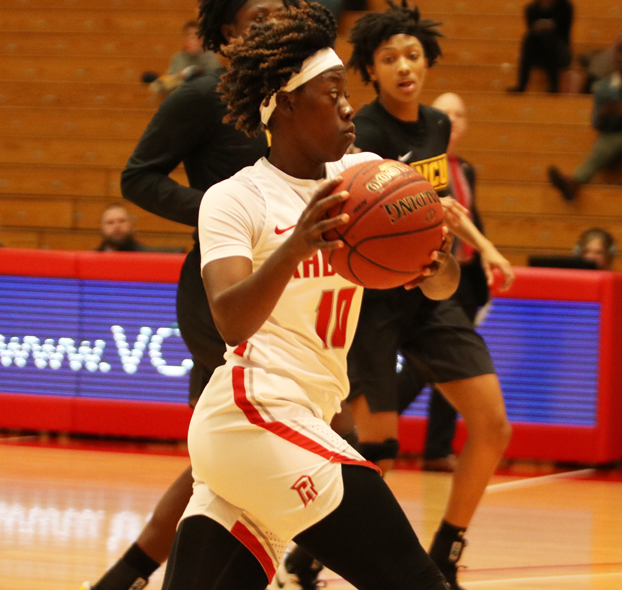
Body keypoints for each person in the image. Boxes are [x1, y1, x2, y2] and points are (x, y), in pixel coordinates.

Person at [160, 4, 456, 590]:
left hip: (304, 415)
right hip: (253, 414)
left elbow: (441, 285)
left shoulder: (367, 176)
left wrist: (432, 265)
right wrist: (297, 243)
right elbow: (230, 321)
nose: (350, 106)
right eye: (333, 92)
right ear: (287, 103)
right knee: (414, 580)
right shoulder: (236, 198)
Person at [83, 1, 280, 589]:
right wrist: (218, 213)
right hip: (219, 290)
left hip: (288, 293)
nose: (274, 22)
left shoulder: (297, 97)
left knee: (215, 466)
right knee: (235, 458)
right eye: (259, 13)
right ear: (227, 31)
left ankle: (126, 577)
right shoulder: (201, 96)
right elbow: (137, 175)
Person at [343, 3, 513, 588]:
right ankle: (318, 552)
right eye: (389, 58)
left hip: (429, 289)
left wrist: (484, 247)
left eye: (412, 55)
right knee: (379, 449)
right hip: (371, 300)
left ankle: (445, 551)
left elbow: (438, 204)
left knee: (491, 425)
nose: (403, 66)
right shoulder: (360, 132)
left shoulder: (436, 125)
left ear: (427, 63)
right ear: (371, 69)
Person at [393, 92, 492, 473]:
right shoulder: (416, 164)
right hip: (430, 274)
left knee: (451, 368)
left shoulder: (465, 169)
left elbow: (471, 220)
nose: (453, 119)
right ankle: (376, 426)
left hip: (464, 277)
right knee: (425, 366)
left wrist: (486, 256)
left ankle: (437, 448)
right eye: (446, 112)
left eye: (460, 113)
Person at [548, 44, 622, 202]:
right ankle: (574, 181)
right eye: (618, 63)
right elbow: (595, 122)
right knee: (604, 143)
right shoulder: (605, 87)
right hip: (613, 129)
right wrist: (605, 115)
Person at [143, 20, 223, 98]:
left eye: (195, 36)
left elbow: (214, 85)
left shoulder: (211, 58)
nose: (191, 40)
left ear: (202, 39)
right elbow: (170, 84)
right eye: (188, 36)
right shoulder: (178, 58)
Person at [507, 0, 574, 94]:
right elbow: (531, 29)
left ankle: (553, 85)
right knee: (529, 38)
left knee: (548, 38)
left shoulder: (565, 7)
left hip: (559, 51)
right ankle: (522, 84)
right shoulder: (532, 8)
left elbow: (563, 31)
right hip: (537, 52)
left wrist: (547, 27)